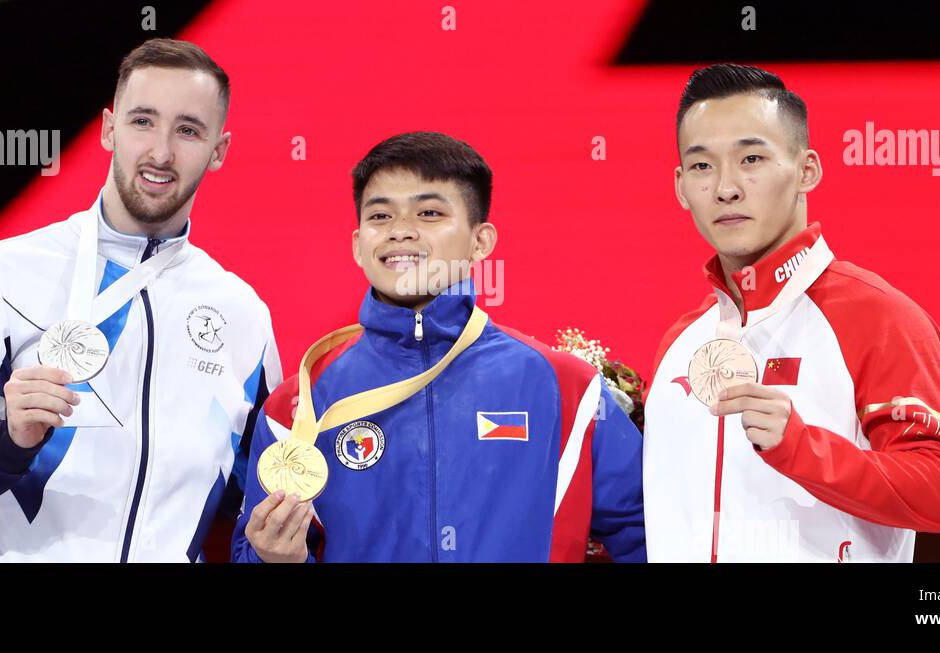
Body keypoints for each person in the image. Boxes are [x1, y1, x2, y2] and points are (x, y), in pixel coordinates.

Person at [0, 38, 281, 561]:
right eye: (142, 121)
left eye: (188, 130)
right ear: (108, 128)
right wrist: (5, 440)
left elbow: (251, 512)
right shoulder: (2, 276)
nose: (160, 152)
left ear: (219, 150)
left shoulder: (241, 315)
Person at [232, 132, 644, 562]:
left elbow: (652, 535)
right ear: (358, 245)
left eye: (429, 212)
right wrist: (274, 558)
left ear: (480, 241)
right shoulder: (299, 404)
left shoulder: (566, 388)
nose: (401, 232)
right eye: (380, 216)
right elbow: (248, 550)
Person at [642, 63, 940, 562]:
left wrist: (802, 448)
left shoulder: (877, 317)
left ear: (807, 170)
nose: (725, 188)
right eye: (702, 166)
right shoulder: (681, 342)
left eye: (751, 158)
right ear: (680, 187)